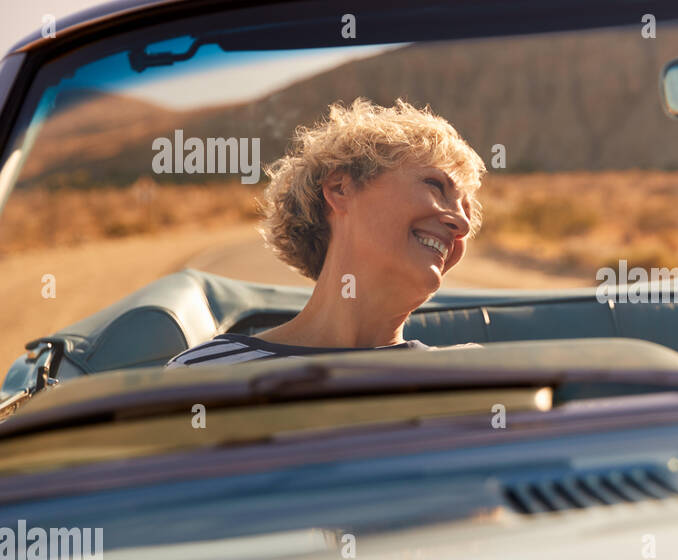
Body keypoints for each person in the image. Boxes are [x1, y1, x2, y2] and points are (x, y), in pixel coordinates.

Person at [166, 98, 485, 367]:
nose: (462, 223)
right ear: (340, 188)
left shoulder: (474, 373)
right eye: (435, 185)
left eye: (466, 209)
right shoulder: (203, 373)